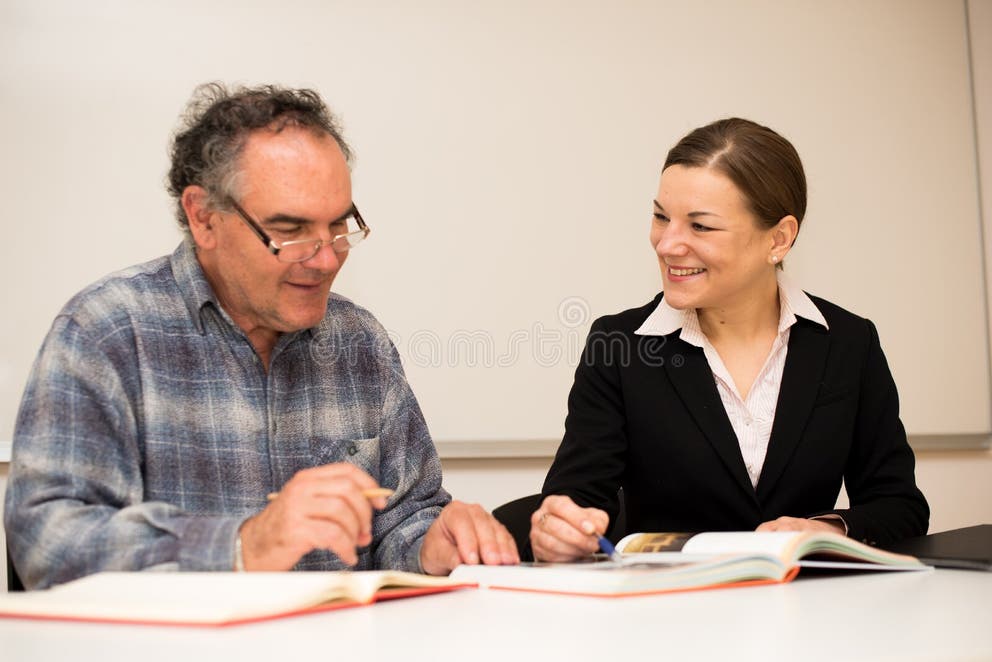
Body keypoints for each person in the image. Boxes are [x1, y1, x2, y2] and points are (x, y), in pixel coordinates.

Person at [4, 83, 517, 589]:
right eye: (290, 230)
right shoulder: (108, 333)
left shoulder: (360, 343)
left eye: (338, 225)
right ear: (203, 218)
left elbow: (404, 519)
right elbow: (47, 542)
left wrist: (432, 547)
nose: (324, 259)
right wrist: (243, 547)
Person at [530, 118, 929, 562]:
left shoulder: (849, 343)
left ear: (779, 239)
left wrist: (823, 530)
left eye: (700, 227)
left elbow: (901, 506)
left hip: (812, 615)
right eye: (661, 216)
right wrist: (559, 529)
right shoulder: (618, 344)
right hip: (670, 615)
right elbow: (577, 501)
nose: (667, 244)